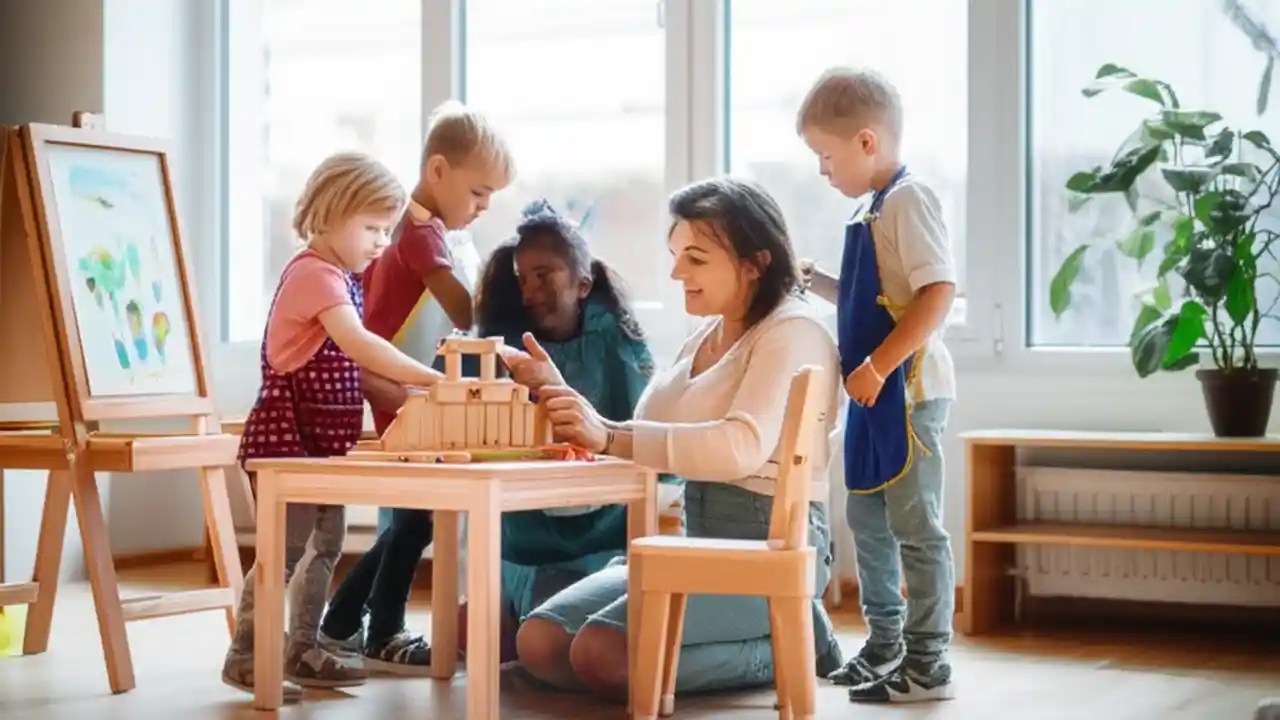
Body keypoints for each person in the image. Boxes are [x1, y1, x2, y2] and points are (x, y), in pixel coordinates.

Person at [506, 176, 846, 700]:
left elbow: (739, 448)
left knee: (601, 655)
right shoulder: (708, 332)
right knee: (541, 642)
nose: (675, 272)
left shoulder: (792, 331)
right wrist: (563, 395)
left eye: (695, 258)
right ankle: (759, 635)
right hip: (694, 542)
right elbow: (644, 426)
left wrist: (610, 436)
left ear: (755, 262)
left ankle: (794, 635)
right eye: (675, 255)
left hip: (770, 548)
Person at [221, 153, 444, 700]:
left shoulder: (341, 278)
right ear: (331, 214)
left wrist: (409, 394)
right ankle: (248, 652)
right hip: (287, 445)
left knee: (326, 544)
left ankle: (301, 645)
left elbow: (355, 371)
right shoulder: (314, 277)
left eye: (387, 230)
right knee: (287, 549)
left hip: (321, 447)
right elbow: (361, 346)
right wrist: (432, 381)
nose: (380, 243)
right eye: (372, 228)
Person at [317, 101, 514, 675]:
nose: (483, 207)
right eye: (478, 193)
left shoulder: (419, 229)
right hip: (393, 385)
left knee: (416, 514)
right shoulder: (420, 232)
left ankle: (351, 620)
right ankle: (373, 625)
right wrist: (504, 299)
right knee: (417, 514)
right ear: (438, 172)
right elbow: (461, 304)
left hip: (399, 381)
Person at [797, 67, 958, 703]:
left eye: (825, 156)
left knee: (917, 525)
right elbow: (871, 297)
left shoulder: (911, 199)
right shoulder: (873, 206)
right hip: (870, 390)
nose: (822, 171)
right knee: (866, 517)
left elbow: (936, 294)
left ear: (867, 142)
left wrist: (878, 367)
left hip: (905, 390)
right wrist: (817, 282)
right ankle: (885, 644)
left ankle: (928, 663)